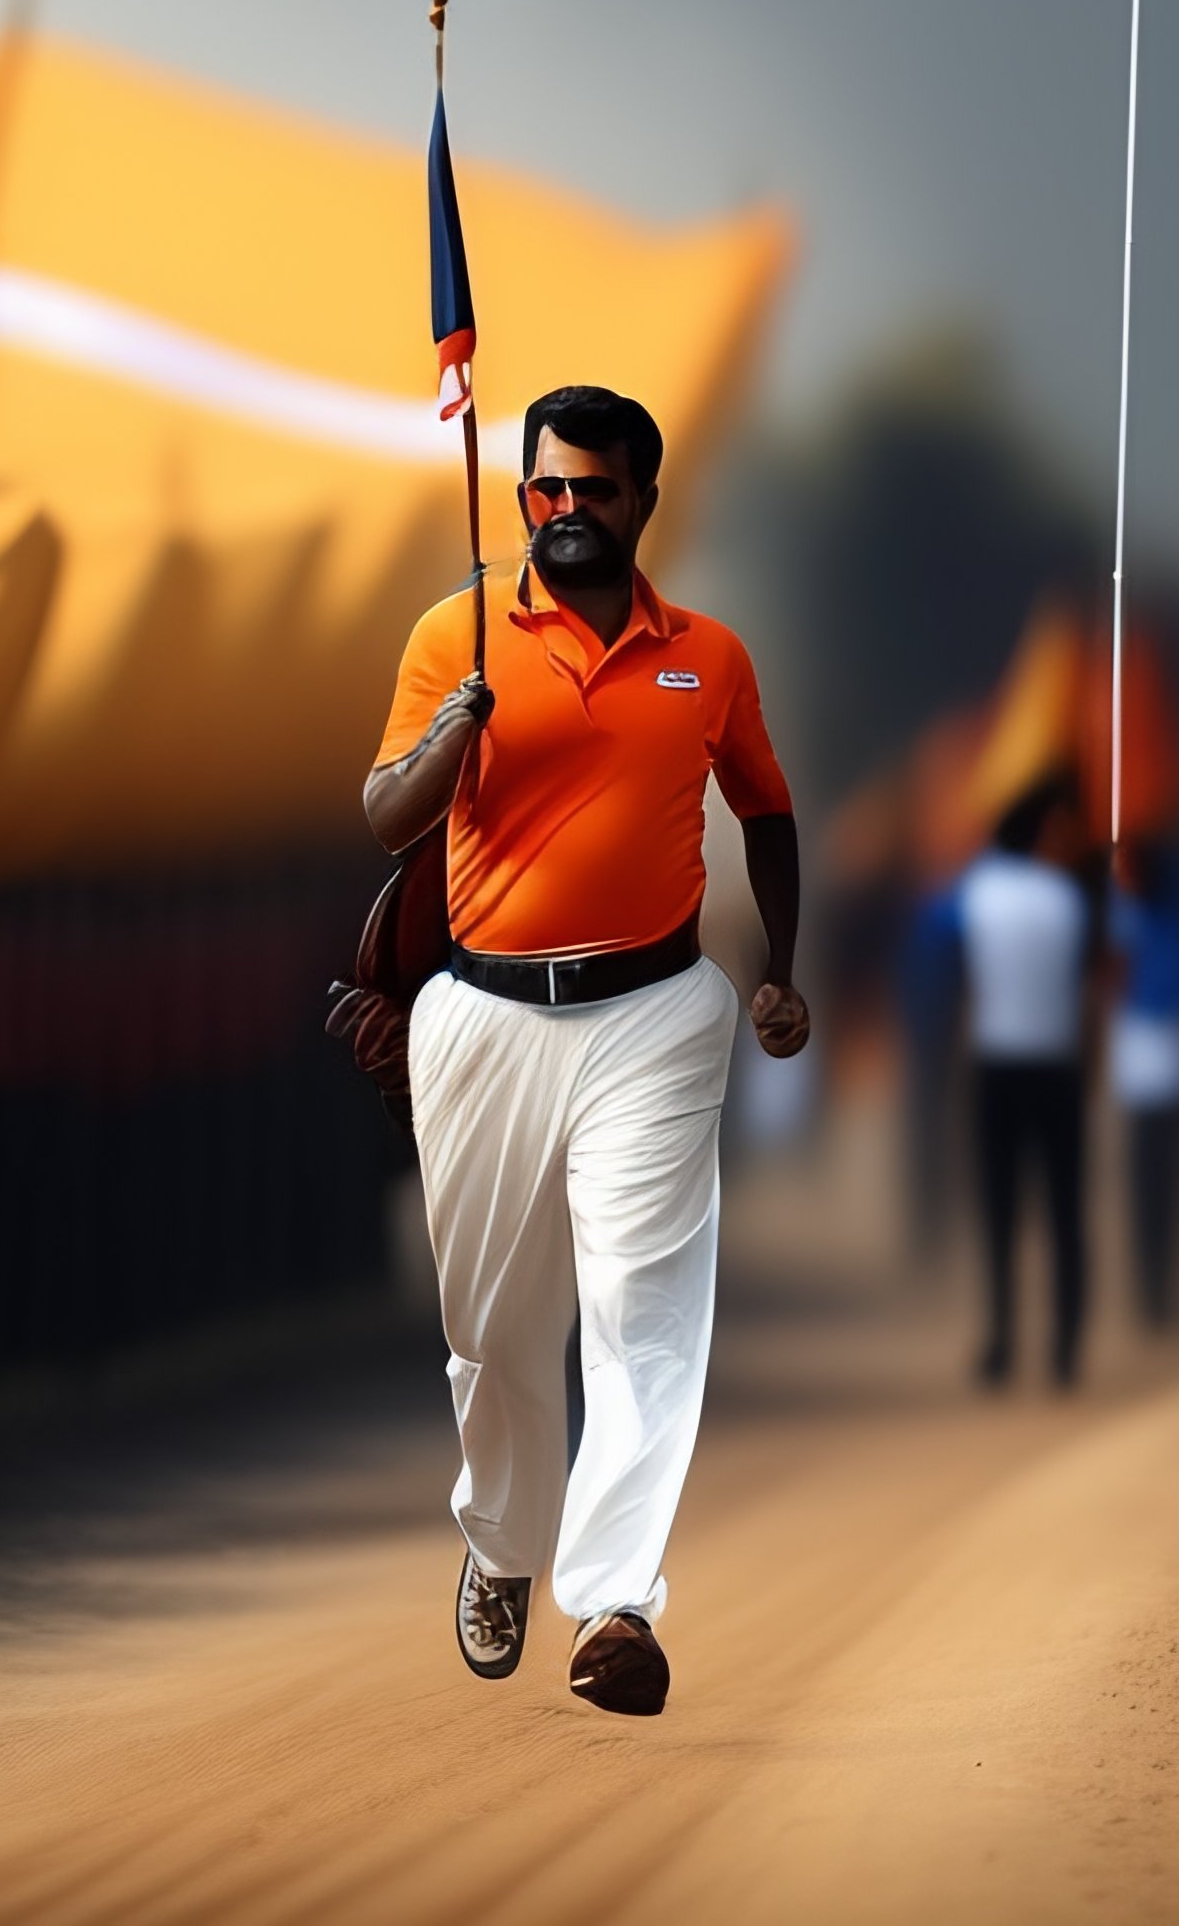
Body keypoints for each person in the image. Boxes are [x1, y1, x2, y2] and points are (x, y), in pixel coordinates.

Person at [364, 382, 805, 1718]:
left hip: (658, 1014)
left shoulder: (708, 659)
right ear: (519, 499)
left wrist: (779, 967)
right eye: (546, 490)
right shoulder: (457, 633)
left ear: (640, 502)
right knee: (496, 1331)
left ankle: (613, 1604)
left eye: (593, 490)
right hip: (483, 1012)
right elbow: (387, 816)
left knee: (642, 1315)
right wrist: (456, 735)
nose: (566, 511)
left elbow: (768, 812)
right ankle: (501, 1546)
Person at [930, 771, 1096, 1388]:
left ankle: (1002, 1340)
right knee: (1065, 1210)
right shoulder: (1073, 896)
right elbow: (1097, 980)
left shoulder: (975, 892)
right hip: (1057, 1066)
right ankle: (1064, 1348)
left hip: (996, 1064)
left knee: (1001, 1211)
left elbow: (940, 952)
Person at [1109, 835, 1179, 1327]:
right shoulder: (1129, 906)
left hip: (1173, 1048)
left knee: (1174, 1178)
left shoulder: (1172, 900)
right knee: (1152, 1180)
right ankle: (1155, 1290)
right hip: (1146, 1052)